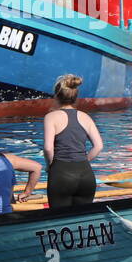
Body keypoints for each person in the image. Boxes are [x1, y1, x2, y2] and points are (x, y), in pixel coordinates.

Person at [42, 74, 104, 208]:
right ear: (75, 97)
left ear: (56, 96)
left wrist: (50, 166)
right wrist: (84, 160)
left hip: (61, 175)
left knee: (60, 221)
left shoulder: (50, 117)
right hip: (86, 175)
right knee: (81, 220)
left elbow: (48, 148)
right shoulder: (85, 117)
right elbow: (98, 146)